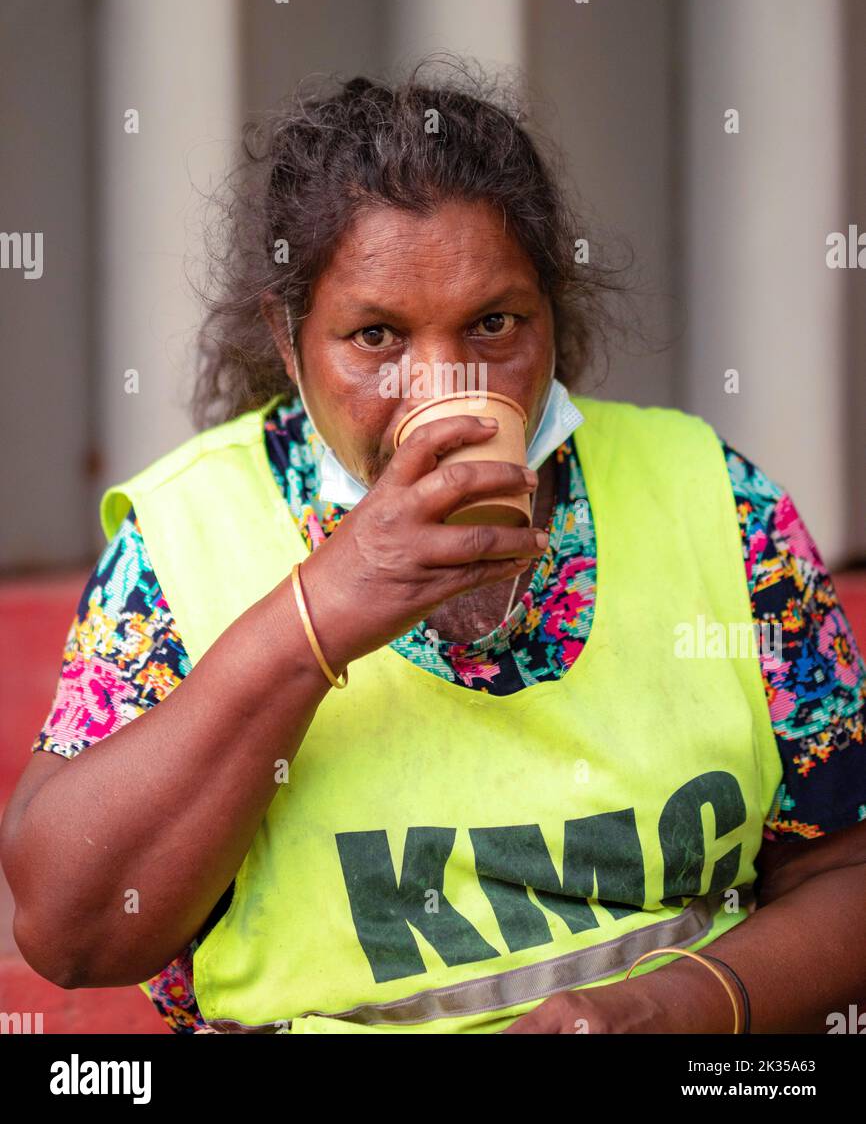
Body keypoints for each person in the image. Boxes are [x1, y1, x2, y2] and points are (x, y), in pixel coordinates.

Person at [3, 64, 866, 1035]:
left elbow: (843, 871)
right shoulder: (187, 542)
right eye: (374, 336)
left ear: (553, 320)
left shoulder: (713, 503)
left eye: (492, 324)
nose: (440, 391)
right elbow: (73, 932)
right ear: (289, 345)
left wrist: (681, 1004)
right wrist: (319, 615)